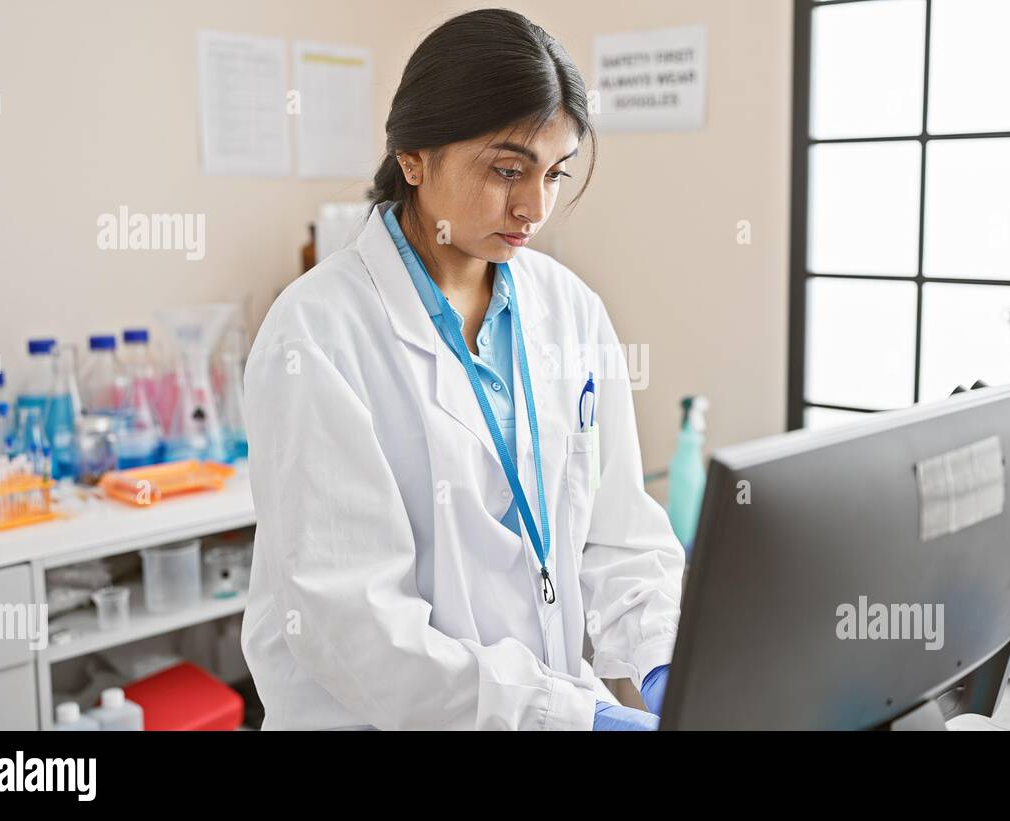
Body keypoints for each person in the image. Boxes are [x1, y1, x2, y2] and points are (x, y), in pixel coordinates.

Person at [241, 8, 683, 730]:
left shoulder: (569, 310)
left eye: (555, 173)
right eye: (508, 170)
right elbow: (356, 626)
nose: (534, 205)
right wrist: (574, 718)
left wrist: (665, 661)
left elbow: (620, 535)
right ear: (413, 157)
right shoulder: (317, 333)